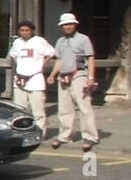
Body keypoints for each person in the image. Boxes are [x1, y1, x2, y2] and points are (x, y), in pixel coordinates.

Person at [50, 12, 99, 151]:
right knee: (64, 108)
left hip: (79, 74)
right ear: (61, 27)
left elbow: (90, 58)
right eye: (65, 24)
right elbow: (59, 60)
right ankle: (65, 135)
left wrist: (91, 77)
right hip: (63, 76)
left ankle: (90, 136)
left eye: (70, 24)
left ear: (75, 25)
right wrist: (53, 74)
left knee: (84, 107)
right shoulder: (60, 41)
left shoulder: (84, 39)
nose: (68, 26)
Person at [7, 20, 54, 139]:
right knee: (19, 110)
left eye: (27, 30)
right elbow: (13, 55)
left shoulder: (39, 41)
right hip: (20, 78)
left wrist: (42, 64)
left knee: (38, 110)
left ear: (32, 31)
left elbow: (51, 53)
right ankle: (22, 132)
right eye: (22, 30)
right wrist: (20, 65)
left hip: (35, 79)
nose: (24, 32)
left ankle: (40, 133)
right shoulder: (17, 42)